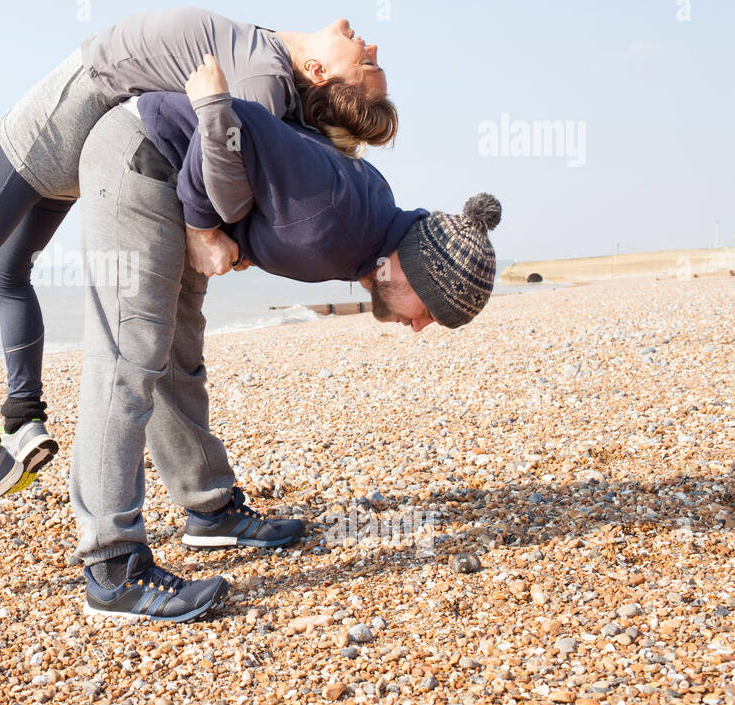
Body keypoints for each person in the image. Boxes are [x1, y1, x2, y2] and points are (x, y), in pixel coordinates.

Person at [0, 8, 396, 541]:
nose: (369, 46)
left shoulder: (264, 80)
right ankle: (25, 421)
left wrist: (202, 231)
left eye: (367, 65)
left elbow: (232, 173)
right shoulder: (271, 64)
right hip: (103, 141)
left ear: (318, 71)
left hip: (67, 117)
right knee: (8, 274)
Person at [72, 56, 502, 620]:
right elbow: (231, 128)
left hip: (168, 168)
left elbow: (277, 160)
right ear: (413, 273)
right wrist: (205, 226)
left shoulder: (366, 217)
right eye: (431, 314)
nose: (421, 327)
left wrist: (242, 236)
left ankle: (211, 513)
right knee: (129, 358)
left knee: (176, 354)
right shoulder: (336, 220)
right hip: (140, 153)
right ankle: (112, 567)